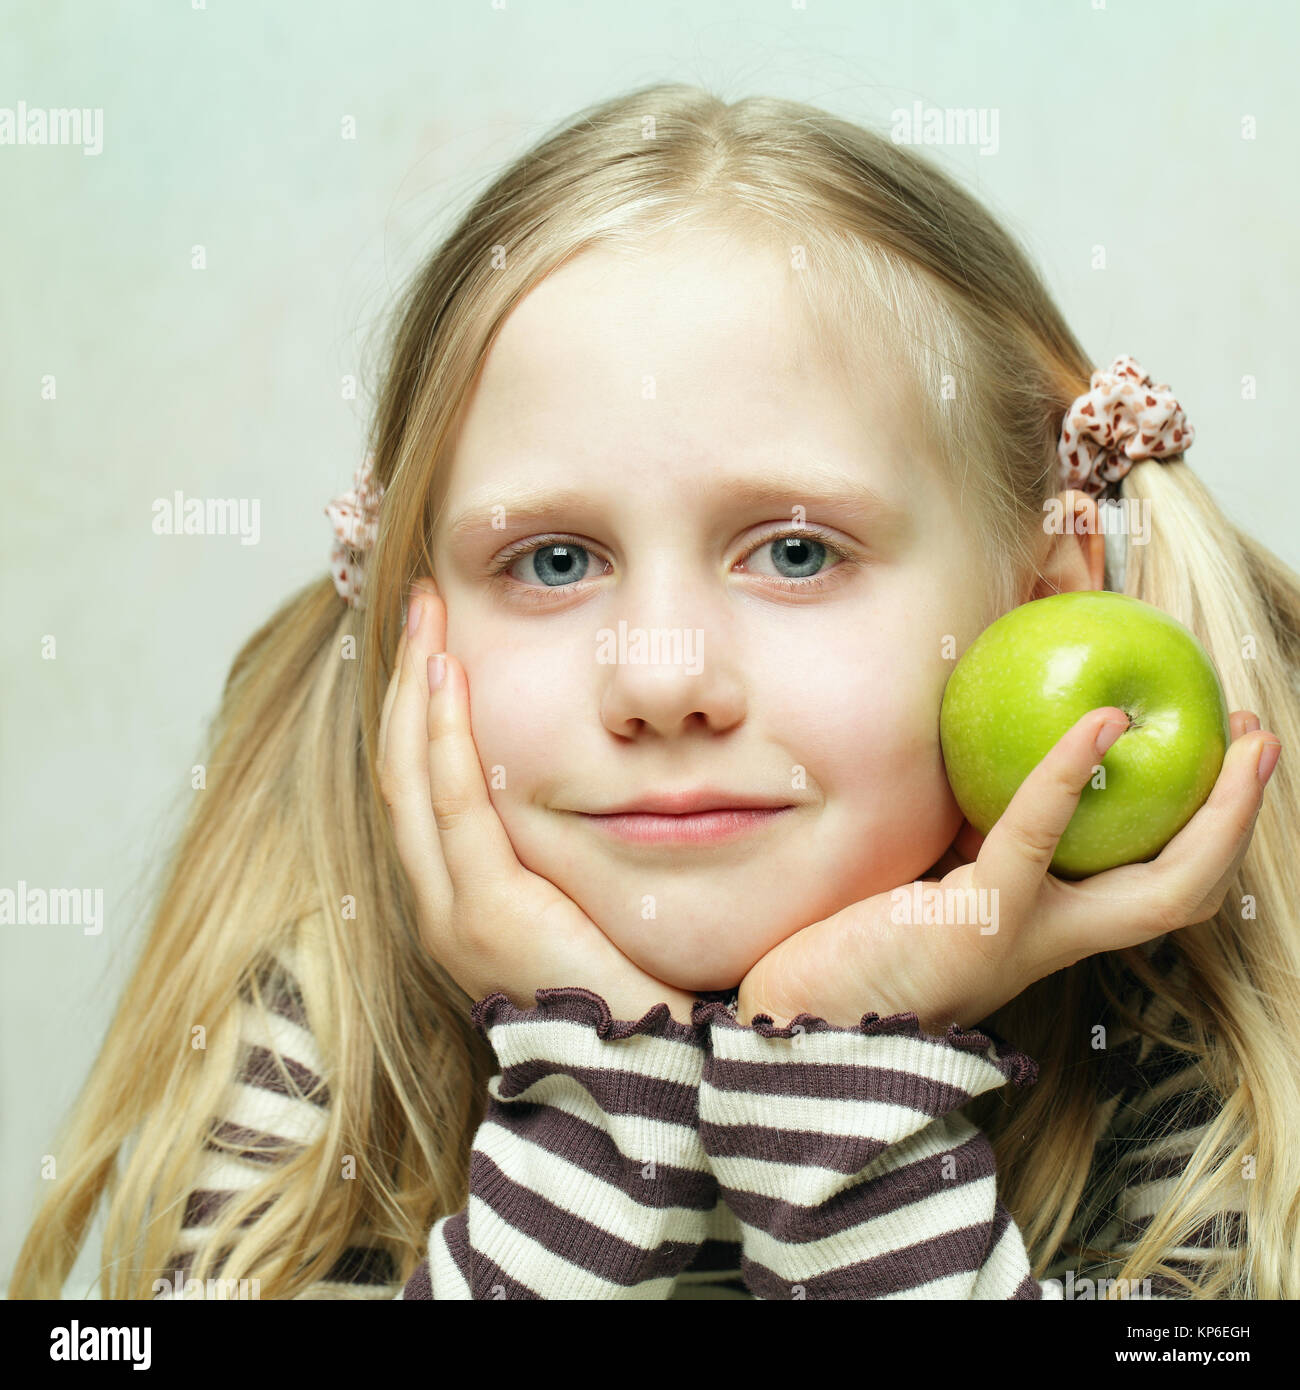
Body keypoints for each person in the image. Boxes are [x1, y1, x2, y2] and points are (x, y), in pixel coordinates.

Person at [10, 82, 1295, 1301]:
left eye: (796, 552)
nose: (665, 682)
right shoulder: (333, 1042)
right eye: (554, 561)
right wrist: (597, 1111)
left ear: (1042, 599)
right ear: (418, 616)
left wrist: (840, 1073)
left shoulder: (1211, 1065)